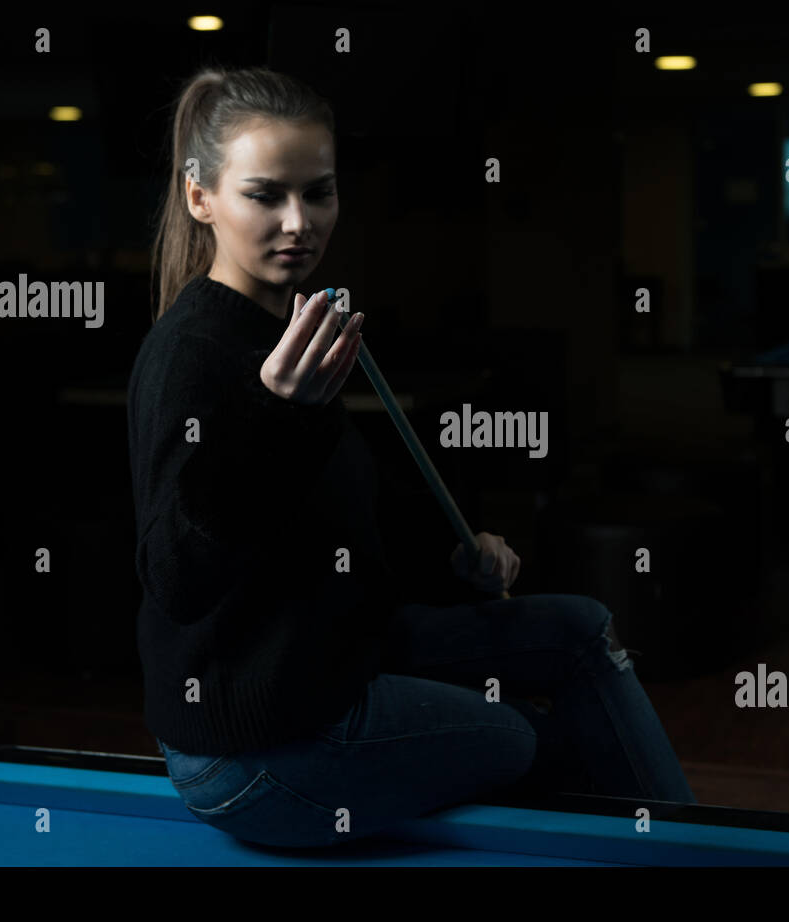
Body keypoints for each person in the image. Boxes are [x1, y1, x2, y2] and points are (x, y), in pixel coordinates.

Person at [127, 66, 694, 849]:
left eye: (318, 192)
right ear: (202, 198)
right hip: (252, 750)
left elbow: (340, 504)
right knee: (523, 739)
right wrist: (276, 413)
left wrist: (455, 556)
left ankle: (691, 845)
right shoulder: (189, 352)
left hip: (328, 666)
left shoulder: (285, 326)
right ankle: (672, 851)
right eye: (265, 195)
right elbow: (176, 576)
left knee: (581, 631)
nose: (299, 222)